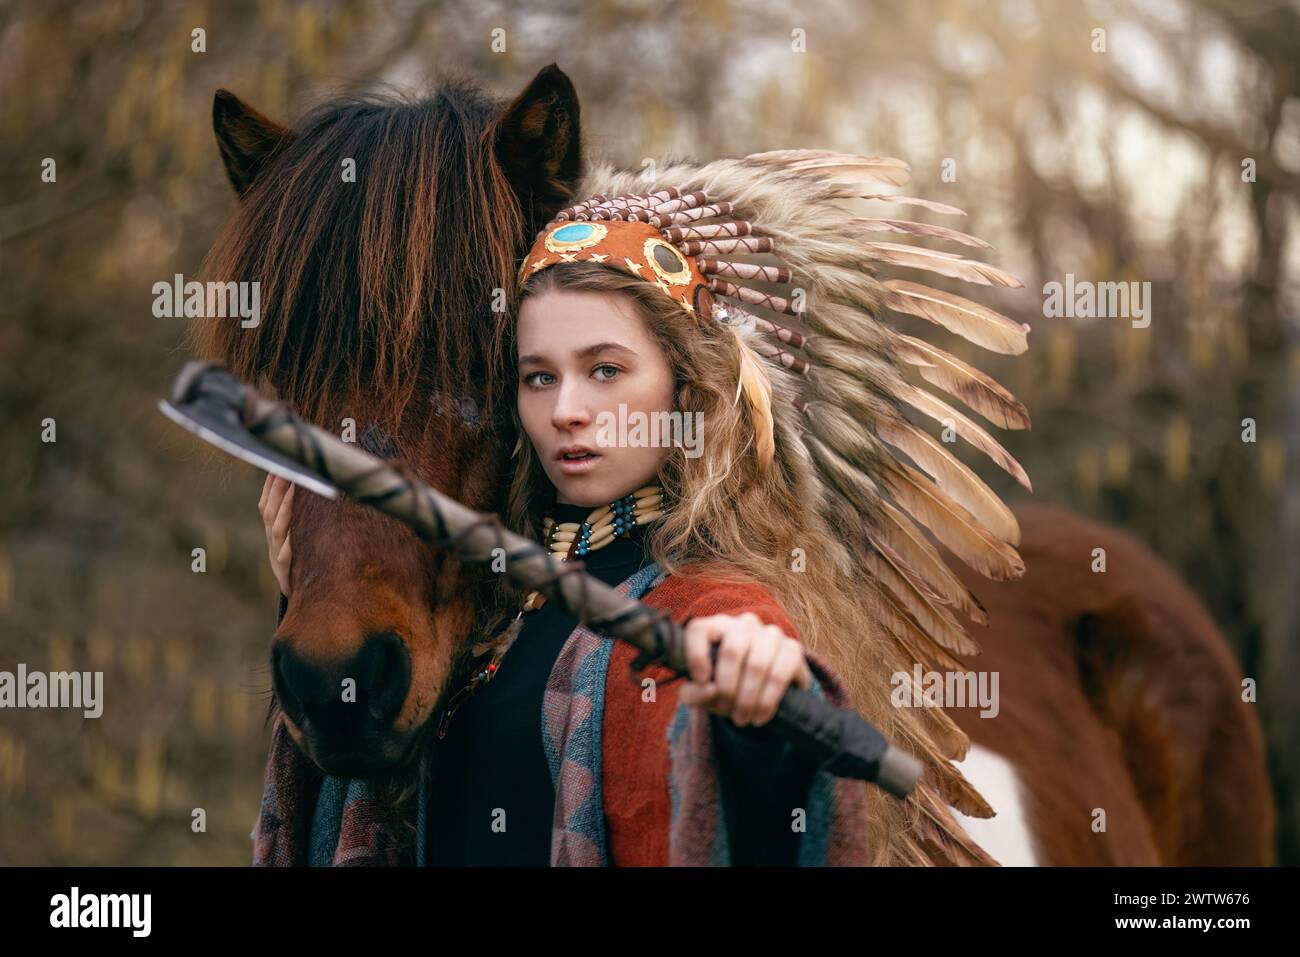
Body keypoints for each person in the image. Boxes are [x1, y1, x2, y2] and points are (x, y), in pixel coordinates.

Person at [257, 157, 1030, 867]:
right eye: (537, 376)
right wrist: (310, 583)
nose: (567, 409)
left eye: (604, 369)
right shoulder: (489, 608)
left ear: (686, 387)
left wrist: (764, 705)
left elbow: (762, 817)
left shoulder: (719, 609)